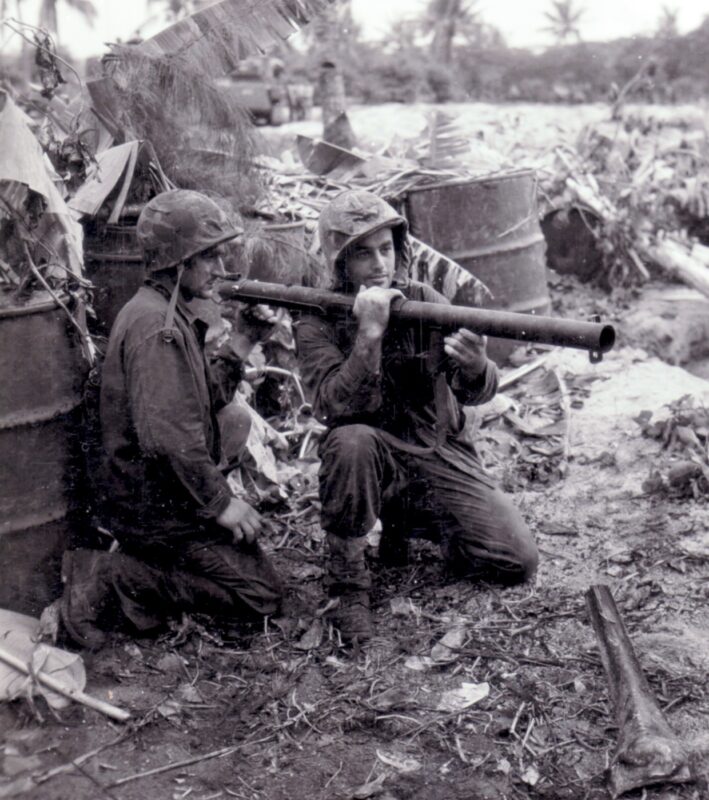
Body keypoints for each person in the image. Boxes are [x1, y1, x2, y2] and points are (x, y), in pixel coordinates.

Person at [294, 189, 538, 644]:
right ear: (340, 262)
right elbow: (330, 406)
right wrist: (368, 336)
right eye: (363, 254)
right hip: (371, 456)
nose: (379, 264)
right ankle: (348, 588)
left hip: (436, 452)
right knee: (350, 442)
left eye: (386, 249)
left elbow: (478, 391)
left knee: (515, 560)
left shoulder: (425, 299)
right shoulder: (317, 319)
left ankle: (415, 521)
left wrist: (476, 366)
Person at [60, 189, 283, 649]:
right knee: (260, 595)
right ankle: (109, 577)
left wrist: (242, 341)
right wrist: (221, 503)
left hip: (161, 495)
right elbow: (169, 438)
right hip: (151, 506)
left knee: (256, 574)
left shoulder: (163, 313)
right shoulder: (156, 328)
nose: (221, 268)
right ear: (178, 262)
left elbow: (196, 405)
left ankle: (139, 569)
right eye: (209, 257)